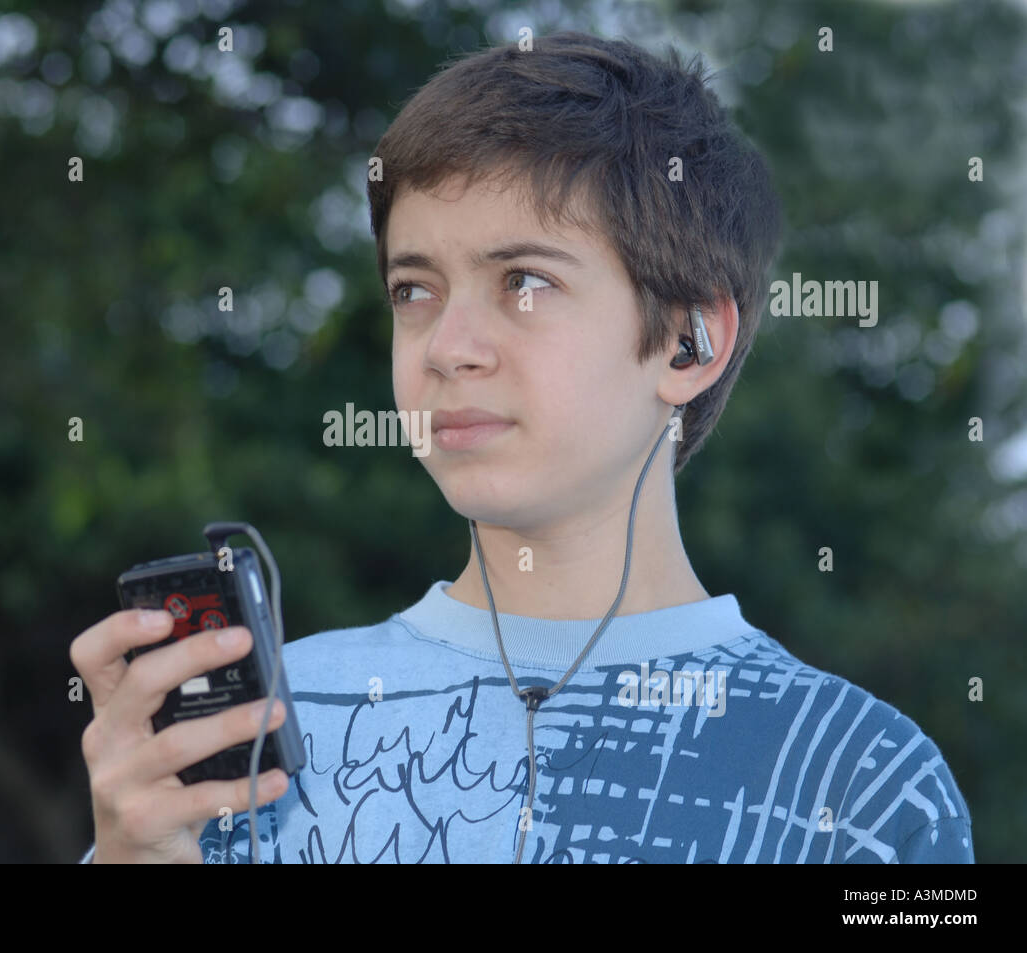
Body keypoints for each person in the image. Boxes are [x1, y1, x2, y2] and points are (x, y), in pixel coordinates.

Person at [70, 31, 973, 863]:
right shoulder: (254, 732)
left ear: (688, 340)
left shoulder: (865, 788)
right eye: (415, 290)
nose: (448, 345)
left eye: (525, 282)